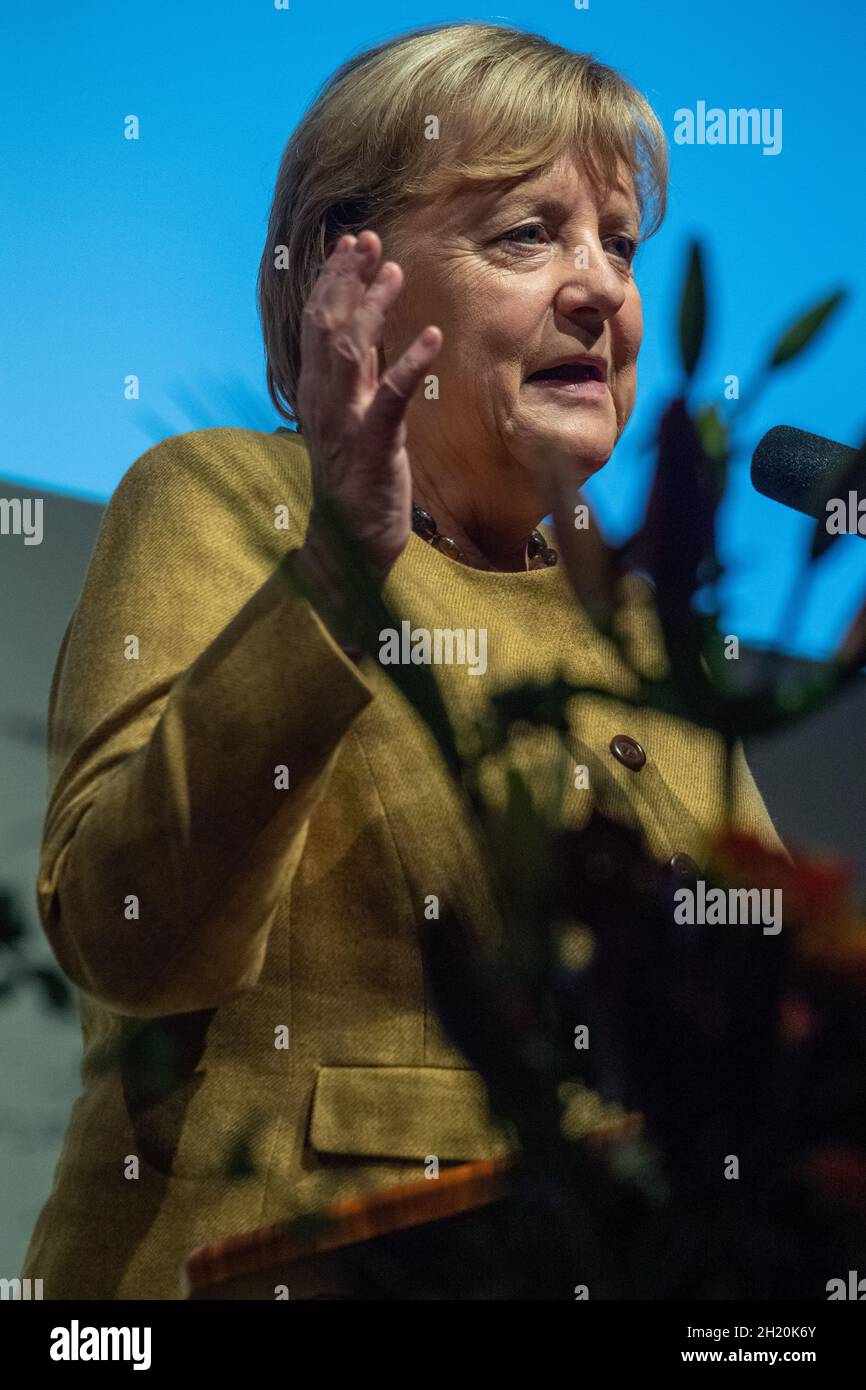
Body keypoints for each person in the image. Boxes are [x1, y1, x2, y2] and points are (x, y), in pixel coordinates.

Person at [22, 21, 784, 1299]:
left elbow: (763, 1028)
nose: (599, 287)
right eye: (527, 235)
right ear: (349, 278)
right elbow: (128, 932)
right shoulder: (223, 499)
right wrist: (336, 566)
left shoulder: (642, 630)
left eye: (618, 242)